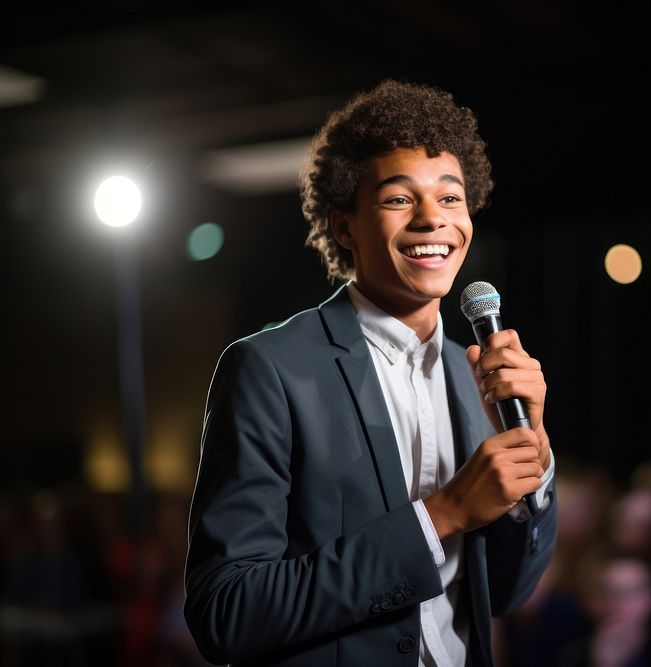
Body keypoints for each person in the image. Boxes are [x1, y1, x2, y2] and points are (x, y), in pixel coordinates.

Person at [184, 80, 558, 667]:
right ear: (343, 227)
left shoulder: (475, 377)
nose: (433, 219)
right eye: (398, 199)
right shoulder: (269, 369)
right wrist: (444, 514)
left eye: (451, 198)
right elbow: (227, 612)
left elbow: (506, 595)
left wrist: (532, 458)